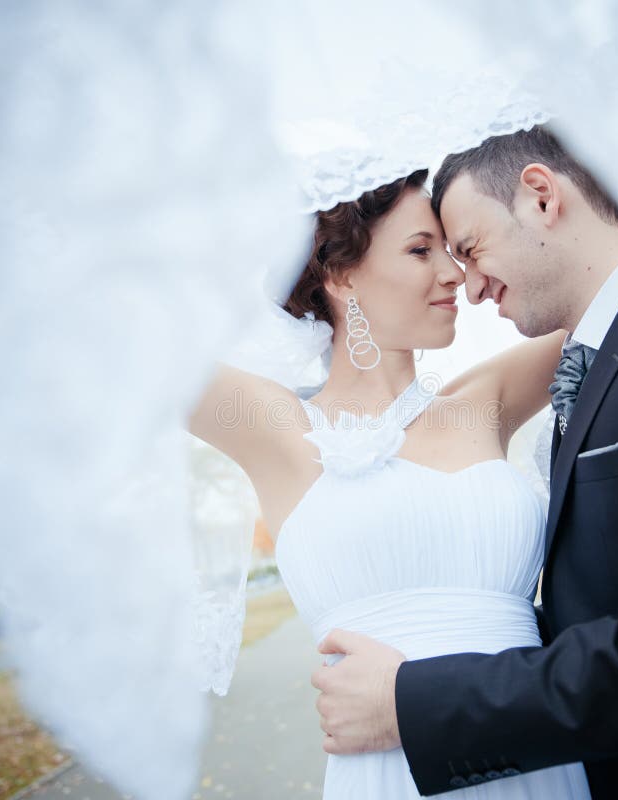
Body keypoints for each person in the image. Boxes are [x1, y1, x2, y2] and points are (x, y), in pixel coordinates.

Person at [311, 126, 618, 799]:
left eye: (468, 249)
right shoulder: (616, 351)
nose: (467, 289)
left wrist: (417, 703)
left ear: (541, 196)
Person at [187, 167, 591, 797]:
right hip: (393, 774)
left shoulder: (483, 401)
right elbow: (130, 344)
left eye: (453, 252)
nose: (455, 274)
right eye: (420, 250)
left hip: (538, 756)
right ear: (342, 274)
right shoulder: (282, 430)